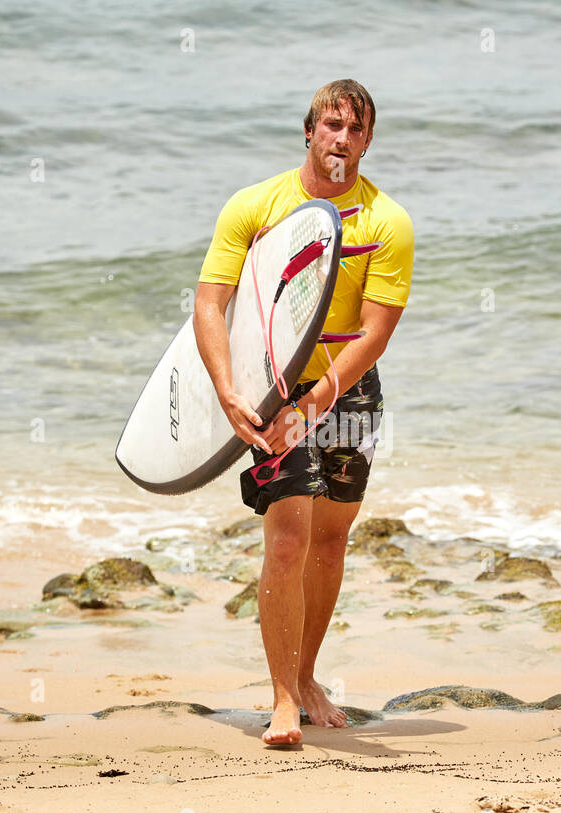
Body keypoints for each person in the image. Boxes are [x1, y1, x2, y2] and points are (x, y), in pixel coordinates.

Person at [192, 79, 414, 746]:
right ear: (309, 132)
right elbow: (210, 306)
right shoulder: (254, 207)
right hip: (274, 389)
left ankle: (308, 672)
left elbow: (375, 332)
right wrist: (230, 390)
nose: (341, 138)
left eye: (355, 128)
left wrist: (325, 396)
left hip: (348, 393)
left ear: (368, 141)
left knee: (331, 540)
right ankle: (283, 698)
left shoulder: (386, 223)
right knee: (288, 540)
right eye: (330, 125)